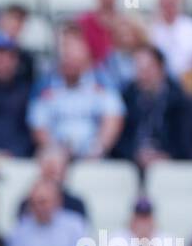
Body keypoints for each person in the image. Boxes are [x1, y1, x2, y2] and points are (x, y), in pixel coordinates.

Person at [27, 26, 125, 159]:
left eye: (73, 49)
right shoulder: (44, 85)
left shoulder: (104, 83)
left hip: (95, 156)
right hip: (55, 155)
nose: (68, 55)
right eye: (64, 49)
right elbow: (38, 125)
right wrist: (54, 151)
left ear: (86, 51)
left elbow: (113, 120)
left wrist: (97, 150)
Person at [114, 45, 189, 166]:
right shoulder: (126, 97)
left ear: (162, 68)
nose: (143, 75)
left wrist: (167, 155)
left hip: (171, 165)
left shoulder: (180, 100)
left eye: (148, 69)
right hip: (132, 164)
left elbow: (185, 140)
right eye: (139, 69)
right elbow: (119, 140)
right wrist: (135, 155)